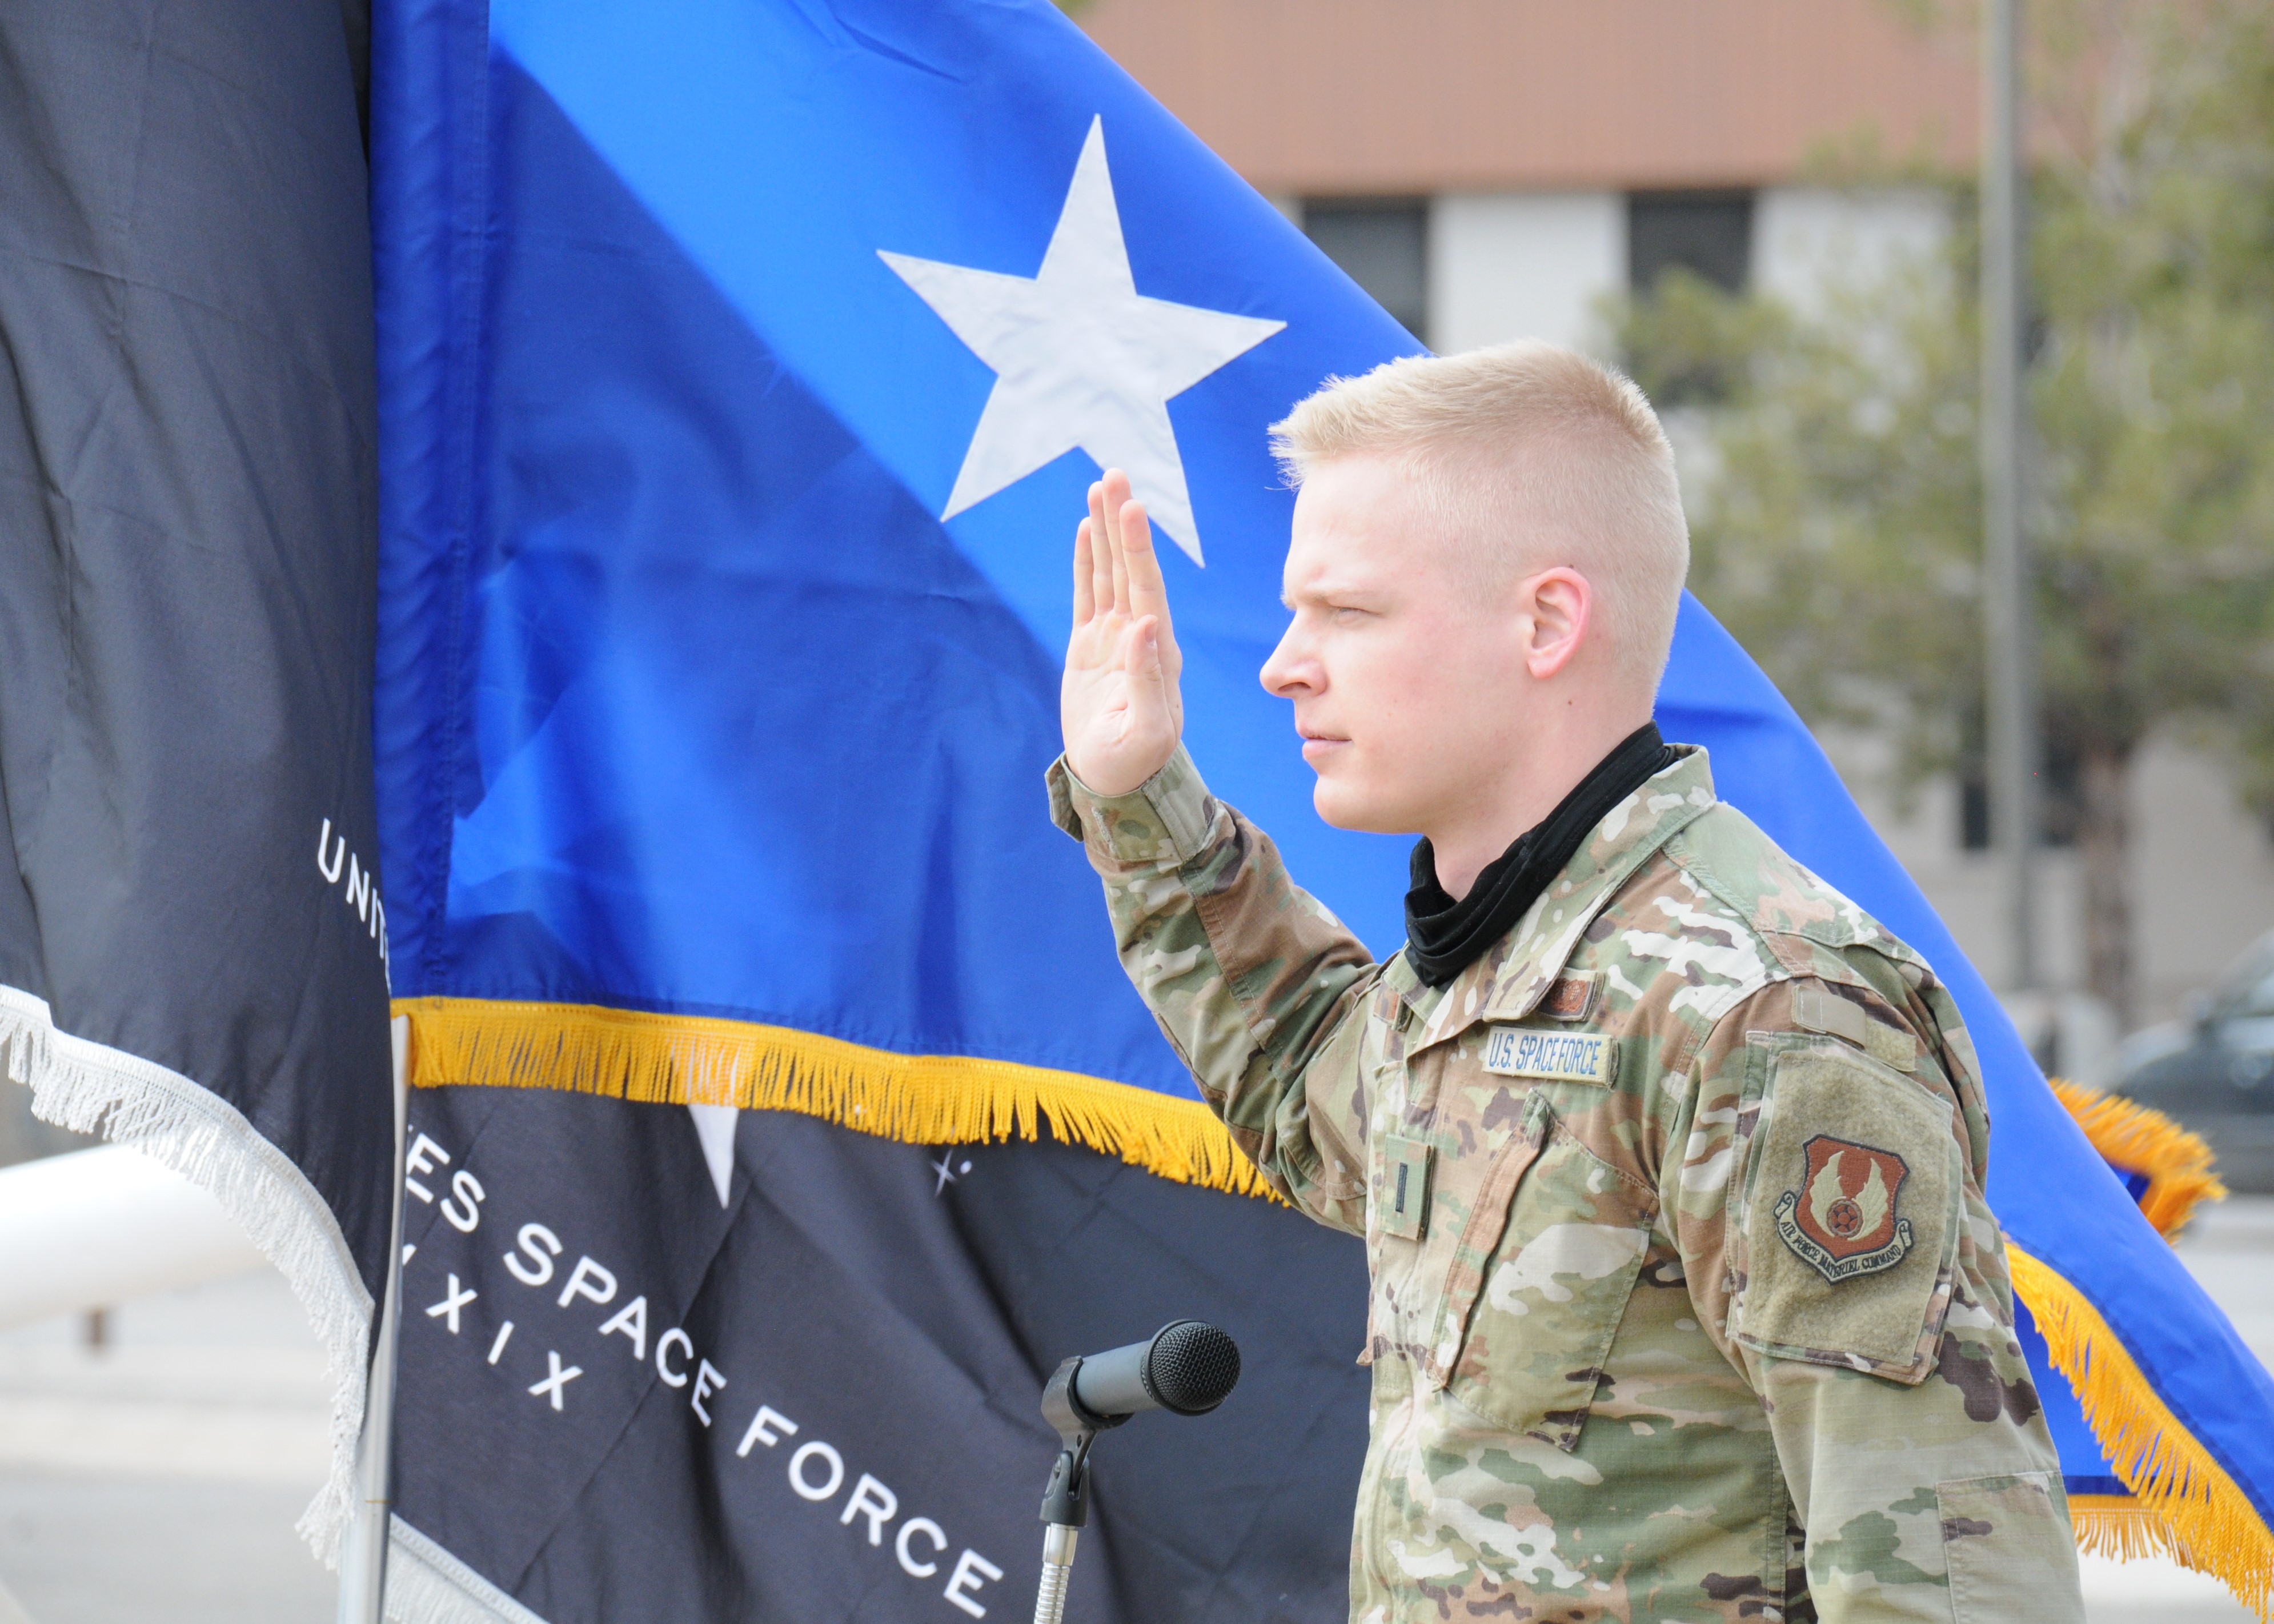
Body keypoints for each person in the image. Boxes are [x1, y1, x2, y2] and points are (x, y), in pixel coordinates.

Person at [1046, 343, 2084, 1623]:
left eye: (1347, 613)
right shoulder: (1500, 970)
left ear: (1544, 622)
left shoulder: (1764, 1010)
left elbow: (1947, 1572)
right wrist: (1136, 797)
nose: (1282, 665)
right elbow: (1304, 1081)